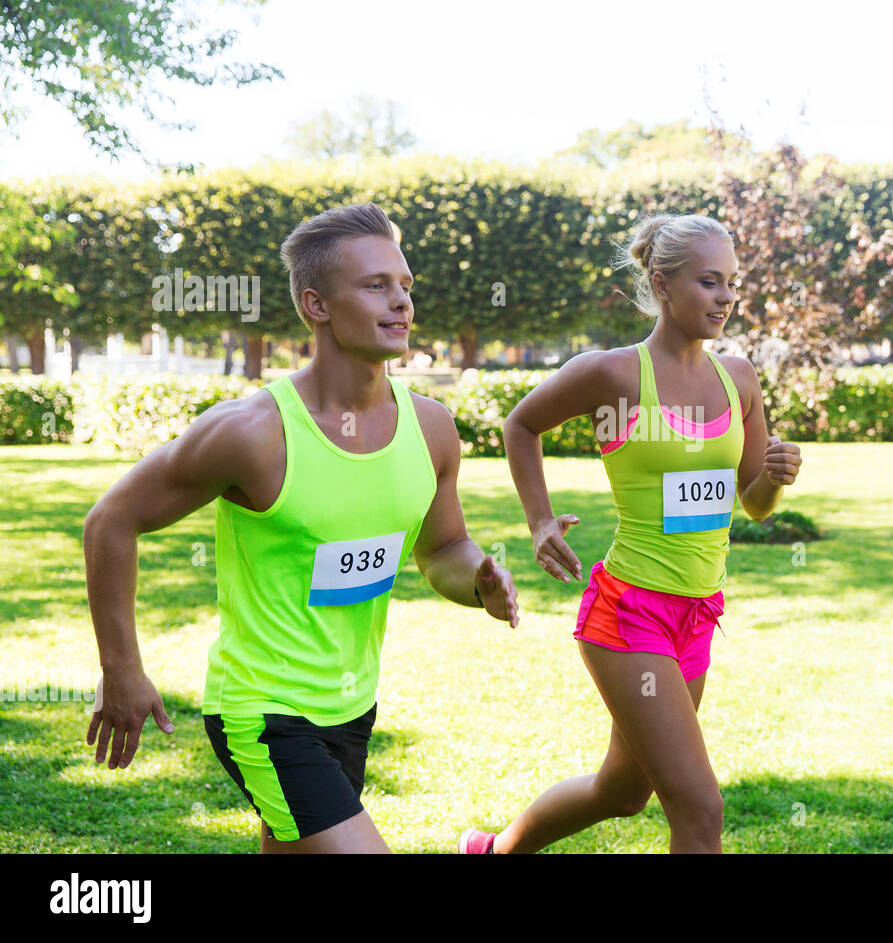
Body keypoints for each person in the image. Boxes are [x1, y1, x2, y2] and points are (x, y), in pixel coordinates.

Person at [82, 202, 518, 854]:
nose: (401, 301)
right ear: (316, 305)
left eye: (405, 285)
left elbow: (444, 547)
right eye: (376, 285)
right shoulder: (253, 434)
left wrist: (478, 582)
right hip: (264, 712)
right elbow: (111, 519)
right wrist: (122, 669)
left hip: (352, 705)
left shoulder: (431, 428)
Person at [458, 213, 802, 854]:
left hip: (697, 614)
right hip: (629, 613)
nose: (725, 297)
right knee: (700, 812)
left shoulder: (741, 378)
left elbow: (752, 504)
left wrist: (776, 477)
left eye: (732, 283)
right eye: (709, 281)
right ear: (662, 283)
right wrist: (539, 522)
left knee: (622, 792)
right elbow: (521, 426)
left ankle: (493, 851)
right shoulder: (613, 374)